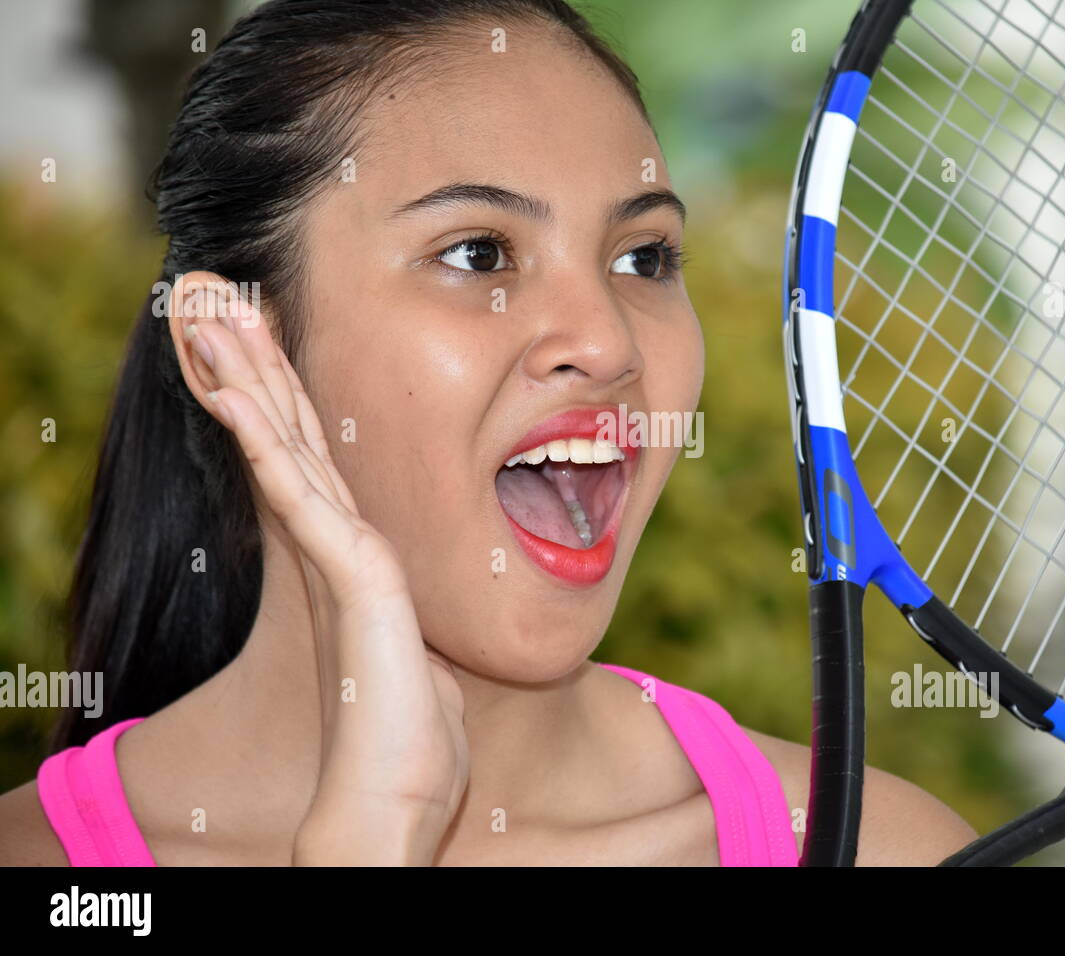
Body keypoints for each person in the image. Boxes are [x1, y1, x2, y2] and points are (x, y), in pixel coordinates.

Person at [0, 0, 974, 866]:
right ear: (229, 347)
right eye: (478, 253)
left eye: (644, 255)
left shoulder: (880, 849)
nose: (603, 340)